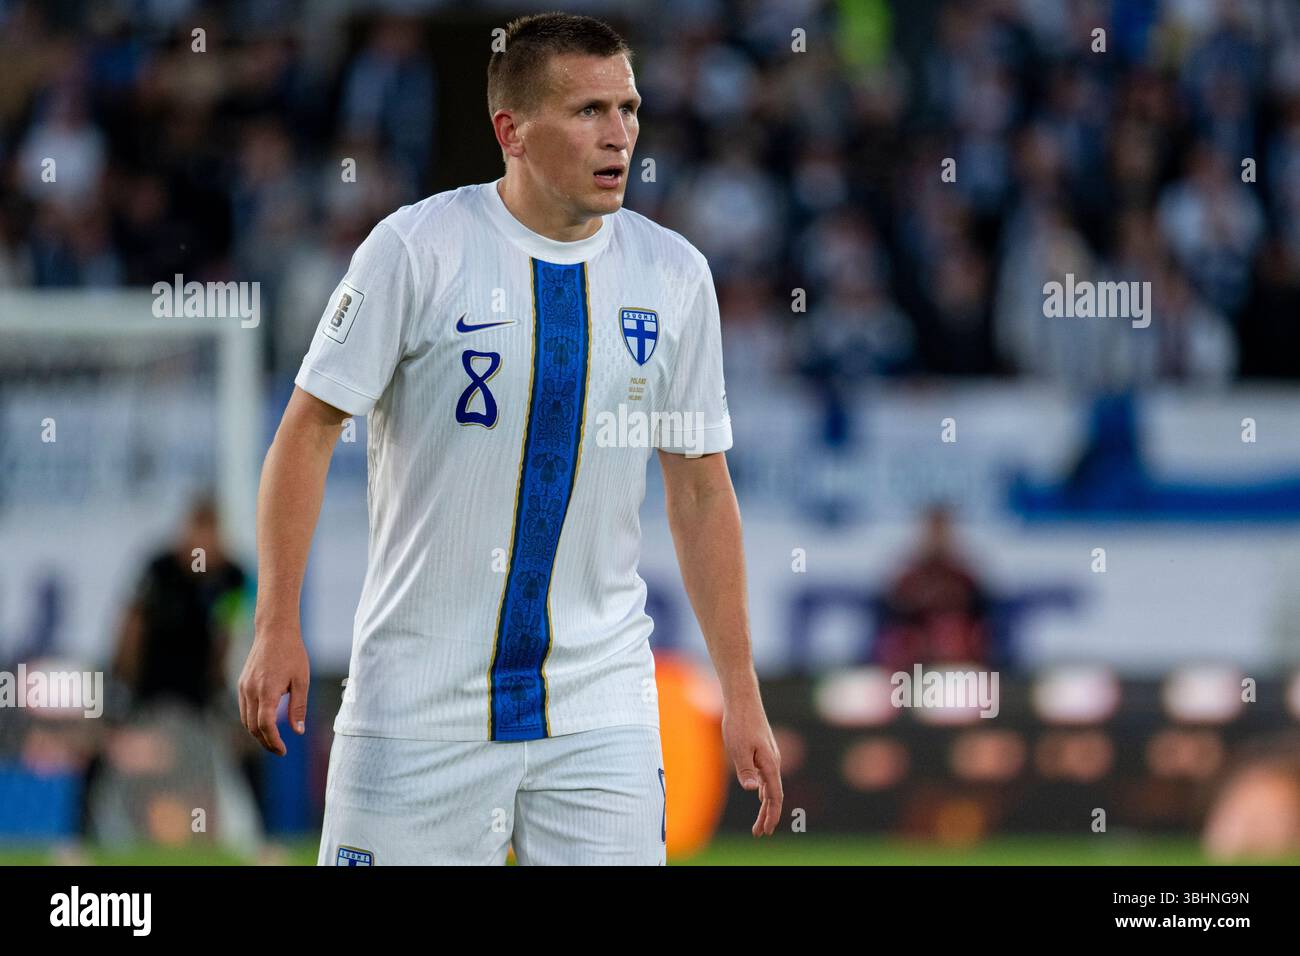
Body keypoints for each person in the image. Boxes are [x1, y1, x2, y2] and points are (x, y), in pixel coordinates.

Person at [238, 12, 782, 865]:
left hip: (599, 709)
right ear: (512, 131)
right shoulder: (415, 252)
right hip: (417, 707)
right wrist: (275, 622)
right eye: (589, 112)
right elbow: (307, 433)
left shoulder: (675, 276)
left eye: (629, 108)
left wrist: (740, 691)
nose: (620, 136)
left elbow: (703, 488)